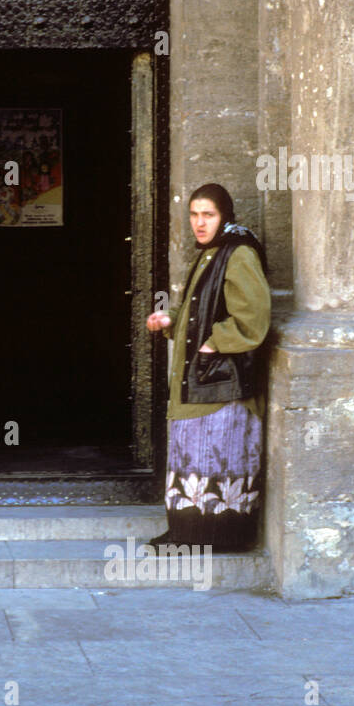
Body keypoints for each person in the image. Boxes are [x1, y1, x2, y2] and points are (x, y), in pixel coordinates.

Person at [145, 183, 271, 552]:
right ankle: (188, 536)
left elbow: (253, 317)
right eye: (194, 215)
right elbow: (202, 312)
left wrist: (215, 342)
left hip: (221, 386)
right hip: (200, 381)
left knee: (215, 457)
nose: (199, 223)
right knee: (191, 458)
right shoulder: (210, 253)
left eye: (208, 215)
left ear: (225, 217)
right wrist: (171, 322)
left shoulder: (239, 254)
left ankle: (217, 538)